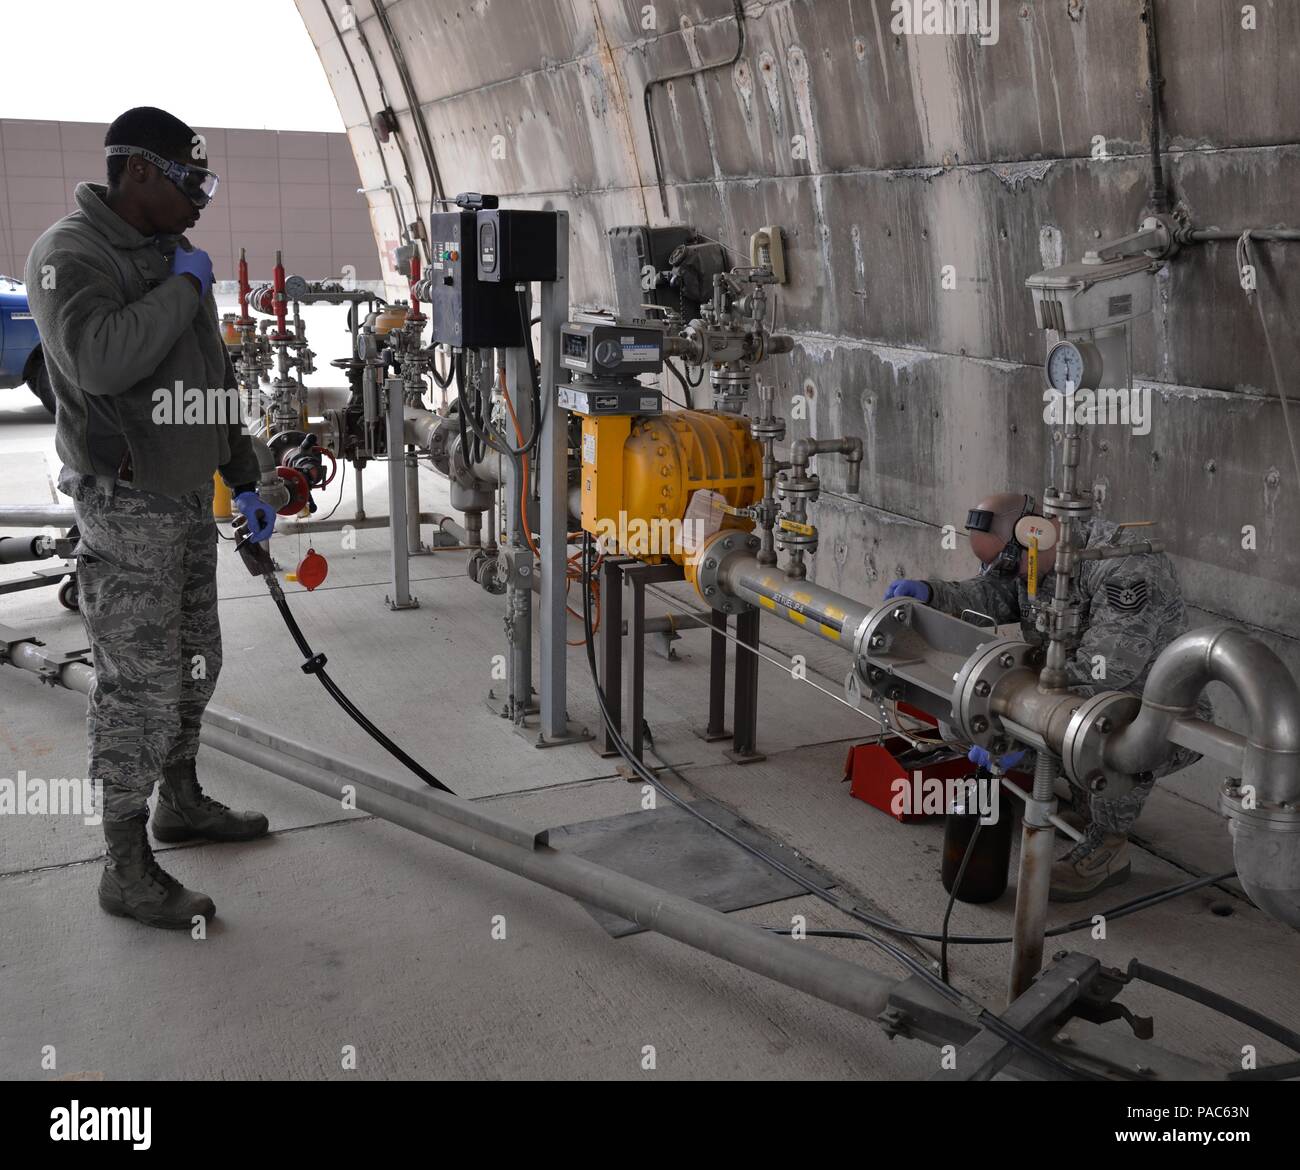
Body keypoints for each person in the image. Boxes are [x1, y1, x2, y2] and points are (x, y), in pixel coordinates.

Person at [25, 107, 279, 929]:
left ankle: (181, 800)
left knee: (196, 664)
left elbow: (208, 375)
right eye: (188, 182)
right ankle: (125, 866)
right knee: (137, 691)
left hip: (183, 503)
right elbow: (101, 360)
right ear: (137, 171)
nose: (200, 202)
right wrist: (182, 287)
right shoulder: (71, 255)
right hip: (125, 506)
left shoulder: (175, 256)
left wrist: (243, 474)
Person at [885, 492, 1207, 901]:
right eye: (988, 565)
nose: (998, 574)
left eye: (1002, 563)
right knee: (966, 717)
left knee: (1105, 742)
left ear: (1032, 534)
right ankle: (1082, 797)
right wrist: (933, 594)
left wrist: (1022, 724)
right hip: (1071, 693)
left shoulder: (1126, 568)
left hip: (1150, 711)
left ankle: (1109, 847)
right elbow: (996, 594)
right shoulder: (1036, 561)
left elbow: (1107, 671)